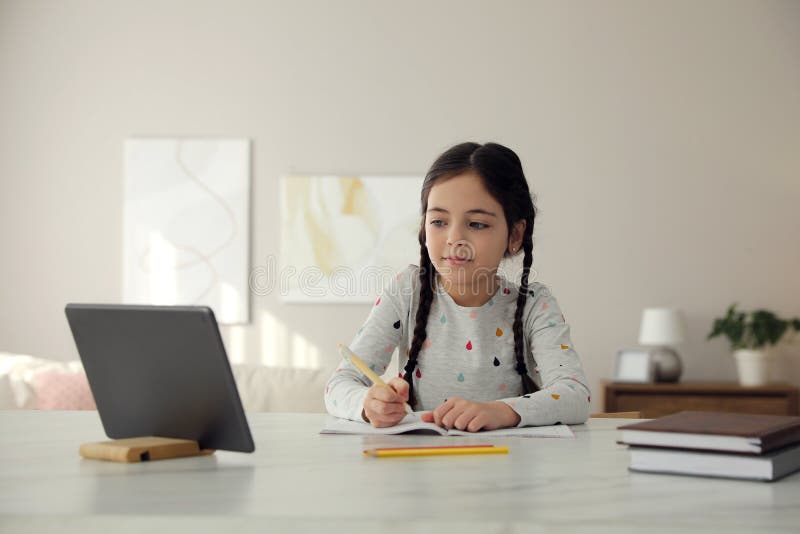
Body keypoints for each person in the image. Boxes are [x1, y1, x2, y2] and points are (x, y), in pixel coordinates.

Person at [324, 142, 590, 431]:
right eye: (439, 221)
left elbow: (575, 395)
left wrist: (501, 412)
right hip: (420, 457)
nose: (454, 238)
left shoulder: (535, 304)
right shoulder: (406, 290)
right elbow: (339, 386)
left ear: (515, 234)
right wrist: (369, 404)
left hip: (506, 459)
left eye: (476, 224)